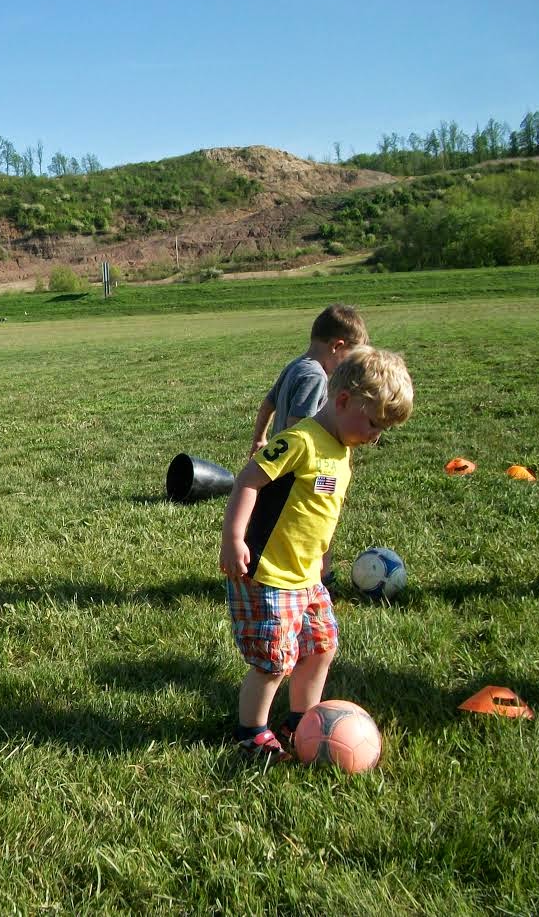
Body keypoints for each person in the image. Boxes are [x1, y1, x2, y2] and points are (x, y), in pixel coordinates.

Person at [220, 346, 413, 762]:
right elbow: (248, 481)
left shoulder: (342, 448)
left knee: (322, 645)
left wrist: (323, 556)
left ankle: (301, 719)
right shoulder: (301, 440)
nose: (376, 436)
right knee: (273, 661)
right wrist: (233, 539)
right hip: (269, 573)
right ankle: (250, 732)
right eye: (374, 423)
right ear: (343, 401)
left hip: (307, 576)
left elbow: (320, 510)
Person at [249, 304, 368, 458]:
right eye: (350, 357)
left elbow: (268, 404)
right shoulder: (315, 376)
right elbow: (298, 426)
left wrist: (259, 438)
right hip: (295, 464)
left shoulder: (295, 365)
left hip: (279, 459)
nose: (348, 365)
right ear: (337, 346)